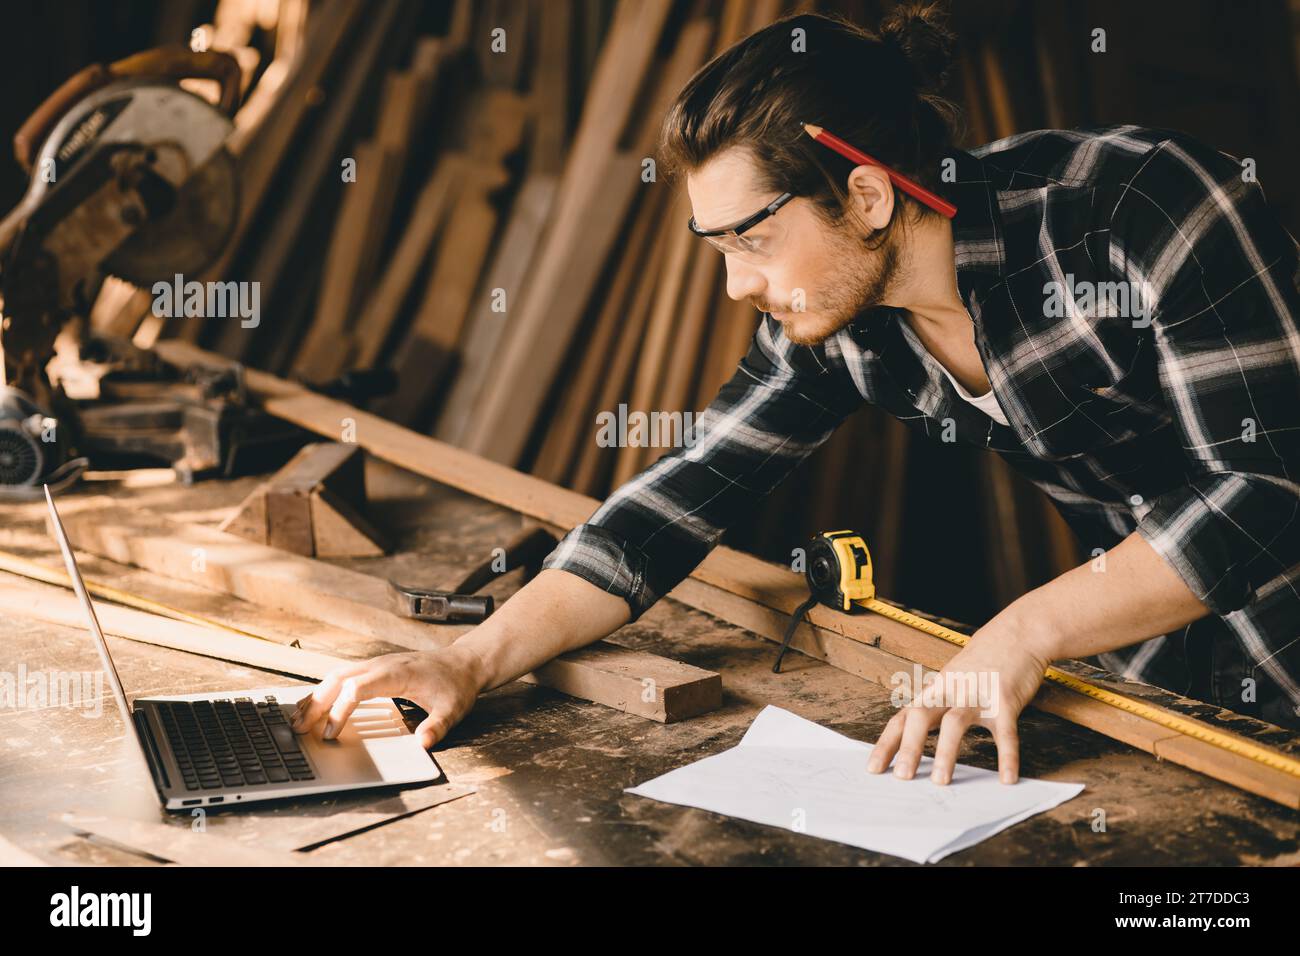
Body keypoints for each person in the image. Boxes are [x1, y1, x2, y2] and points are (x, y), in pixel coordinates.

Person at [292, 5, 1300, 784]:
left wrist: (1021, 630)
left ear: (865, 194)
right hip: (1179, 678)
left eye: (753, 239)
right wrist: (469, 661)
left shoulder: (1136, 207)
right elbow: (671, 505)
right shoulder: (841, 326)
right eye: (717, 247)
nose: (736, 285)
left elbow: (1263, 487)